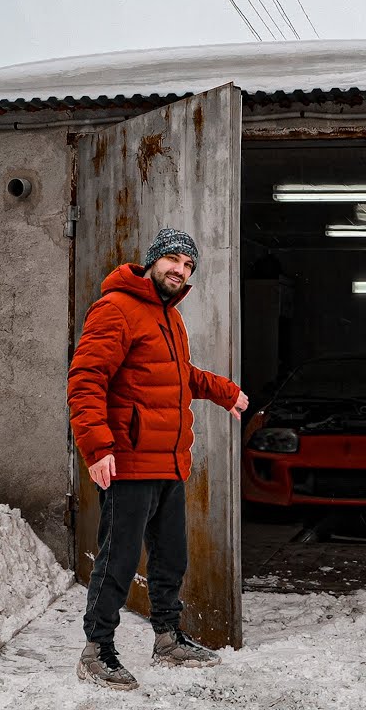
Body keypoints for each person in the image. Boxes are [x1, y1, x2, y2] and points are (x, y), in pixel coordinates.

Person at [68, 228, 248, 691]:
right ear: (152, 261)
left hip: (169, 460)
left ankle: (167, 638)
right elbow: (86, 379)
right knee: (119, 558)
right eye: (173, 260)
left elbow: (177, 374)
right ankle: (97, 650)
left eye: (189, 266)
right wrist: (97, 448)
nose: (181, 271)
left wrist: (223, 391)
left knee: (171, 558)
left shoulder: (169, 317)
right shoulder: (116, 308)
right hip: (127, 461)